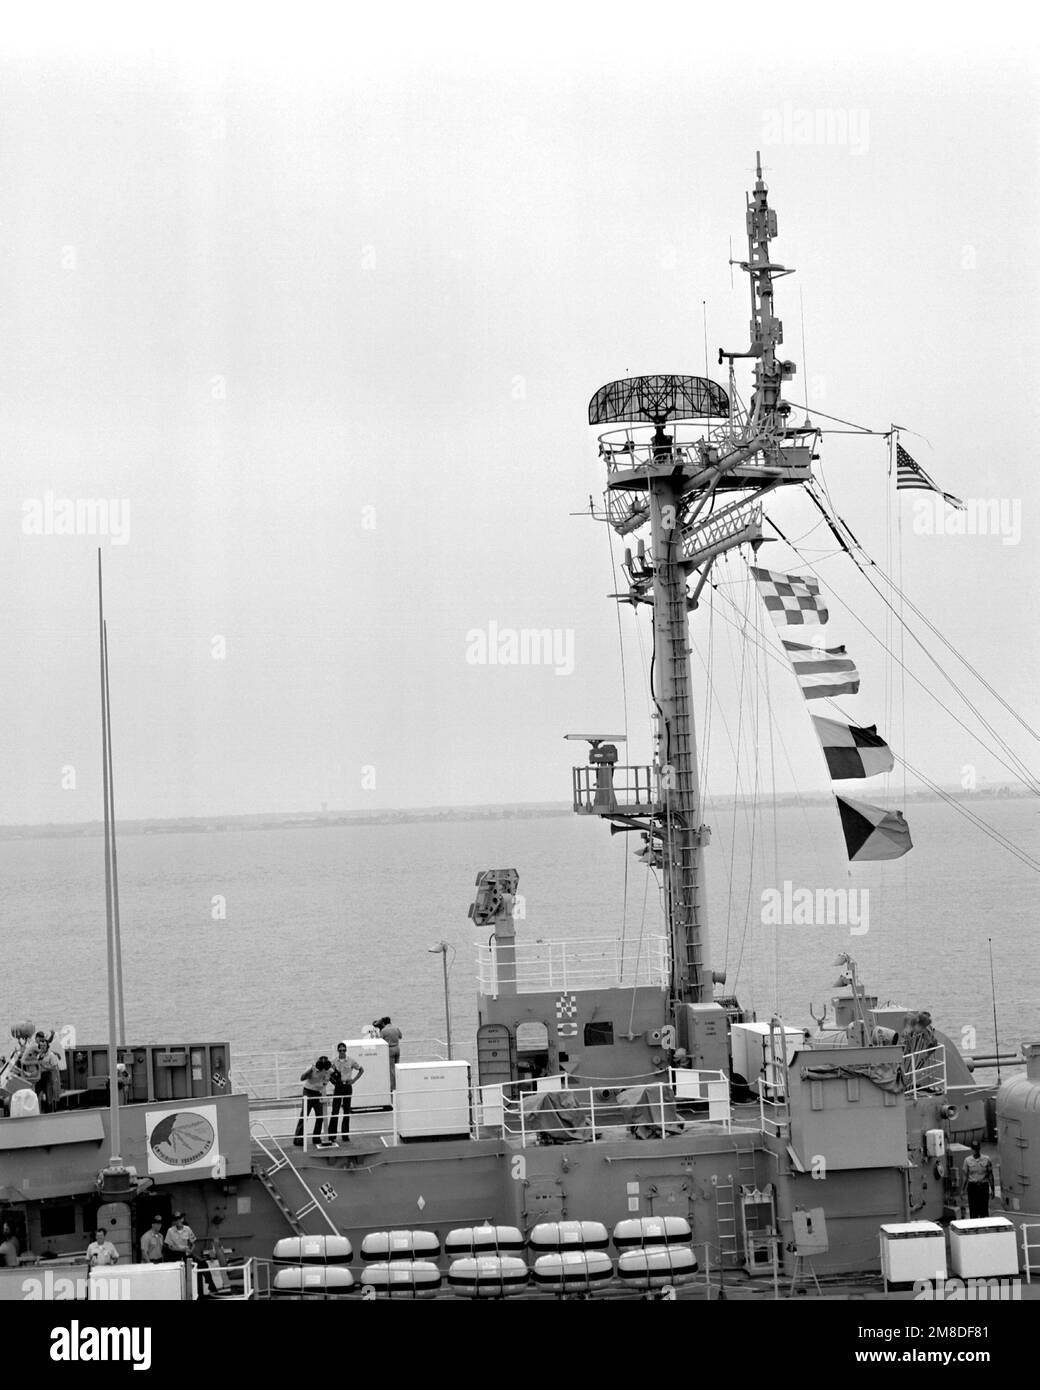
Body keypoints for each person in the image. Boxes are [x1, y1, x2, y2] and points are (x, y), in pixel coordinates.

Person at [293, 1056, 334, 1147]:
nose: (323, 1068)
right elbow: (302, 1078)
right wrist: (309, 1071)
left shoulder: (329, 1070)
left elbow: (334, 1078)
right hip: (308, 1092)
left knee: (320, 1116)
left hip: (319, 1093)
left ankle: (316, 1137)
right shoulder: (312, 1068)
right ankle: (298, 1138)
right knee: (304, 1115)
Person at [328, 1042, 364, 1144]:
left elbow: (361, 1070)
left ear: (346, 1050)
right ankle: (332, 1135)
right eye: (340, 1050)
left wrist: (354, 1080)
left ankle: (345, 1135)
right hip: (338, 1087)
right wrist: (333, 1082)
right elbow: (328, 1073)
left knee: (346, 1111)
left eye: (344, 1050)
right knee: (335, 1111)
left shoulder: (351, 1060)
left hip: (347, 1087)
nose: (342, 1052)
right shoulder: (334, 1062)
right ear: (338, 1051)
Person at [961, 1141, 996, 1219]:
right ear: (972, 1149)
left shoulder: (986, 1159)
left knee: (984, 1210)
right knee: (973, 1210)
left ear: (979, 1149)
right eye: (974, 1149)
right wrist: (962, 1190)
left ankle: (984, 1227)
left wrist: (993, 1189)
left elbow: (990, 1175)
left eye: (977, 1149)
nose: (976, 1151)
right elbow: (965, 1177)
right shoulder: (967, 1160)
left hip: (983, 1187)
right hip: (972, 1187)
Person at [379, 1017, 403, 1088]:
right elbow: (400, 1036)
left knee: (392, 1069)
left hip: (390, 1049)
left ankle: (393, 1087)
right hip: (397, 1048)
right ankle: (399, 1083)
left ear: (383, 1023)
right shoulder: (396, 1028)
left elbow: (380, 1040)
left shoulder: (384, 1030)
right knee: (397, 1067)